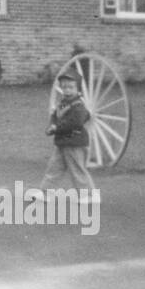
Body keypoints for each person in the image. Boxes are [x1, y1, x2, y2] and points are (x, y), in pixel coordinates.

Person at [30, 71, 98, 203]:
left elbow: (76, 122)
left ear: (78, 89)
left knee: (77, 168)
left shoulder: (78, 106)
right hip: (62, 142)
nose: (67, 90)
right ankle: (45, 192)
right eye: (64, 87)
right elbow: (54, 117)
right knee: (54, 167)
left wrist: (58, 127)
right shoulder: (62, 104)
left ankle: (89, 195)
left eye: (71, 87)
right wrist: (51, 127)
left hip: (75, 142)